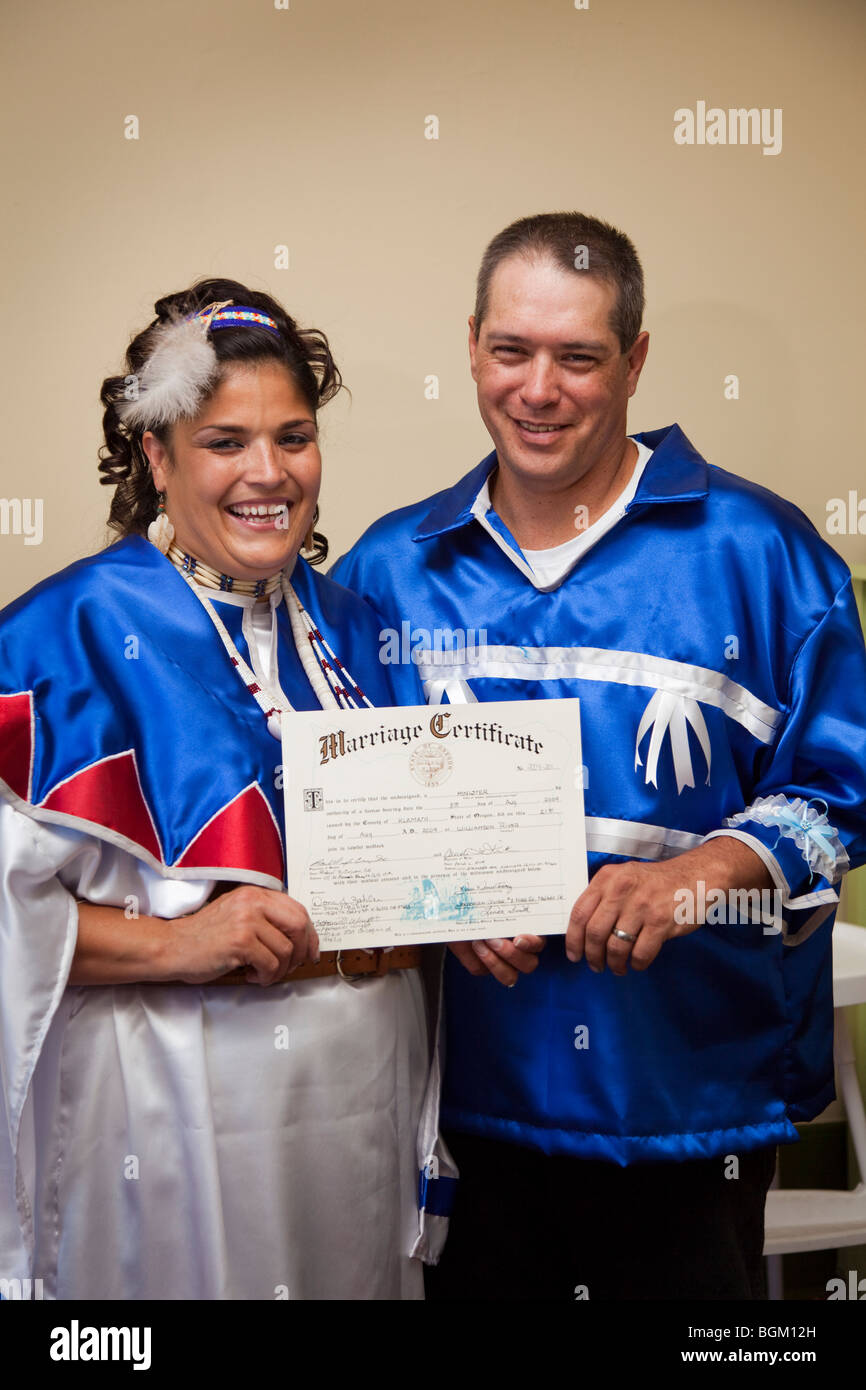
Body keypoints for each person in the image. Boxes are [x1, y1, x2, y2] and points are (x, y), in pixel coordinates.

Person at [332, 213, 866, 1300]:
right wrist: (435, 899)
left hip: (689, 1110)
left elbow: (840, 795)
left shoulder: (760, 552)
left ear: (632, 360)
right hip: (458, 1109)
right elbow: (342, 814)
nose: (538, 389)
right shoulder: (388, 568)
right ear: (470, 344)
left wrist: (700, 875)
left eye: (576, 357)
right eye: (510, 351)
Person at [0, 279, 451, 1300]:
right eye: (224, 442)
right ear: (155, 456)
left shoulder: (362, 635)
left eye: (293, 437)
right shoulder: (64, 636)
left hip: (356, 1112)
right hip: (166, 1116)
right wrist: (179, 942)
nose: (267, 473)